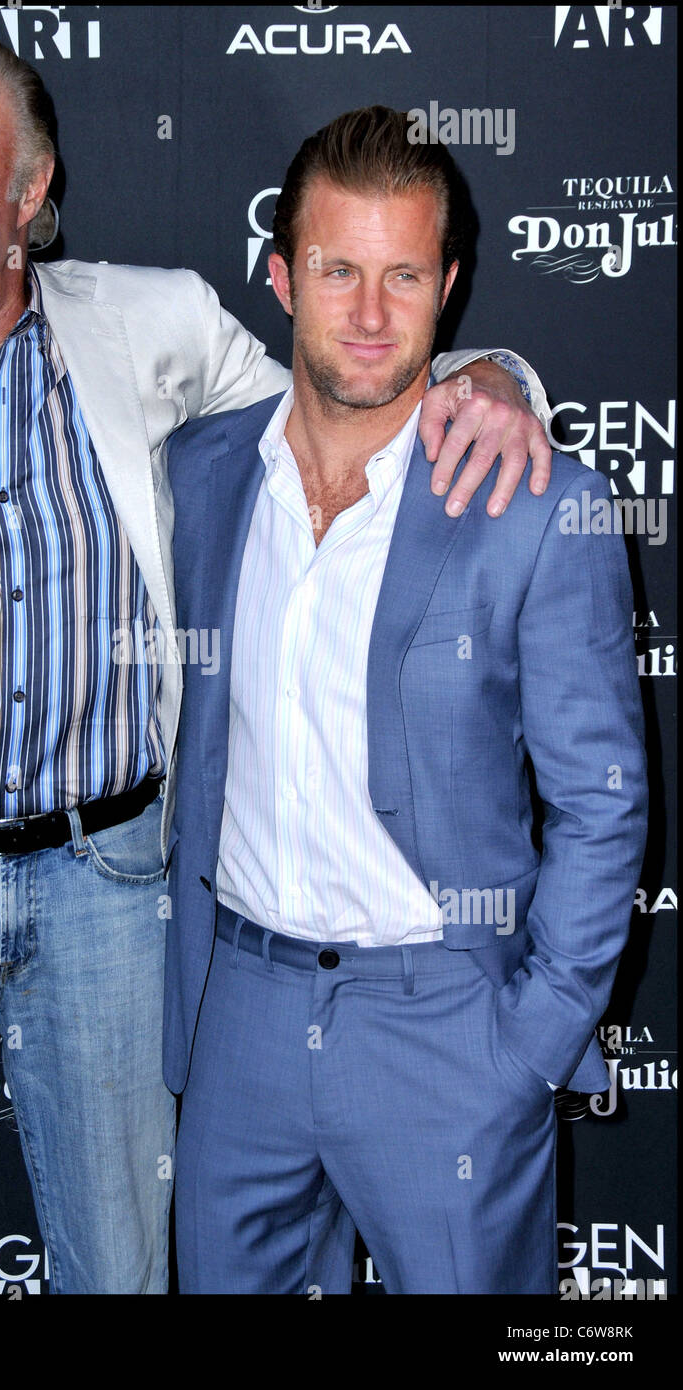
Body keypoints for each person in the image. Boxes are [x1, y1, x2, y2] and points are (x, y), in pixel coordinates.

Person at [0, 35, 551, 1296]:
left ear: (30, 193)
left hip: (114, 884)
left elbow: (343, 406)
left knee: (123, 1268)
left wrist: (494, 378)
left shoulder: (154, 327)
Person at [164, 106, 647, 1295]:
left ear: (450, 285)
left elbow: (601, 804)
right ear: (279, 275)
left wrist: (528, 1046)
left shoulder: (535, 502)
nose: (369, 314)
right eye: (336, 270)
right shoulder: (201, 472)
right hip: (240, 1019)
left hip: (448, 1028)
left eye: (402, 276)